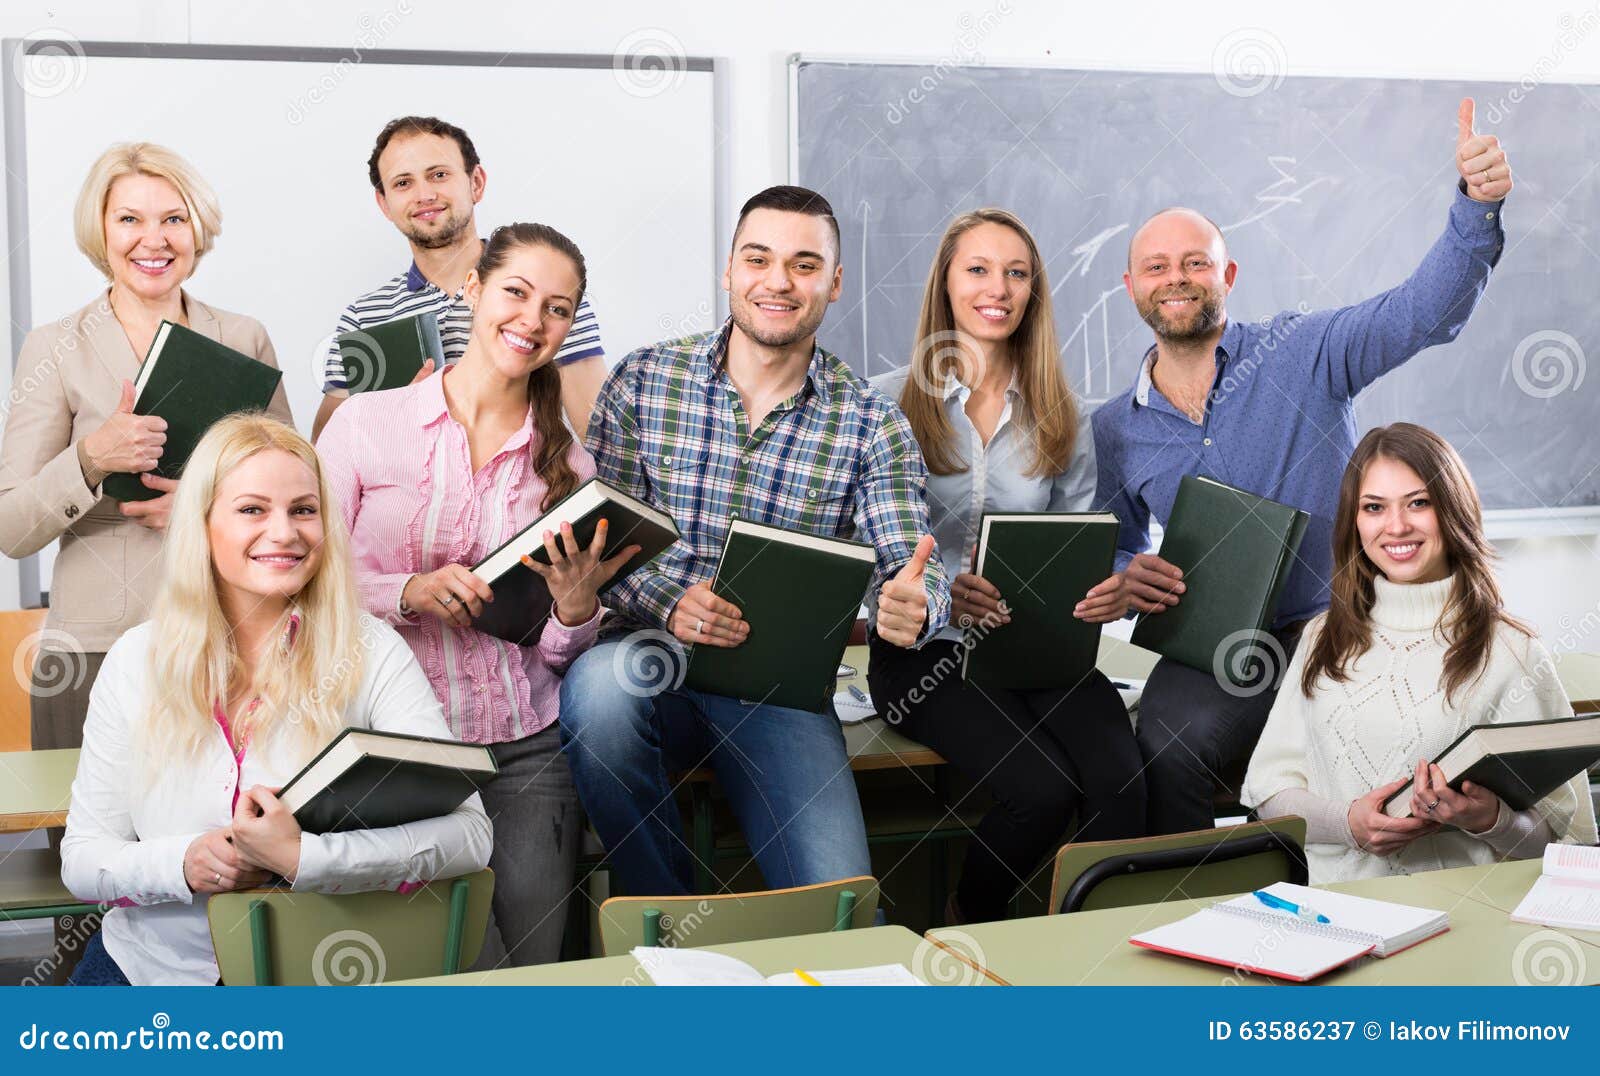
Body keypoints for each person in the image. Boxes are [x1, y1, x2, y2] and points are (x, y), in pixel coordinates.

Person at [1093, 98, 1512, 834]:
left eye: (1196, 262)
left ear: (1227, 273)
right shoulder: (1114, 427)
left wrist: (1477, 207)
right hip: (1219, 648)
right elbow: (1118, 545)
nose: (1177, 277)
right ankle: (1203, 913)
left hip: (1346, 624)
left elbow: (1421, 311)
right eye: (1156, 267)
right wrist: (1128, 580)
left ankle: (1336, 904)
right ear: (1131, 288)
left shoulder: (1305, 350)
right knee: (1164, 746)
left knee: (1381, 753)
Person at [559, 185, 949, 897]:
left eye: (804, 265)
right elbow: (599, 541)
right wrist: (673, 600)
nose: (778, 281)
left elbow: (910, 562)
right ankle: (664, 924)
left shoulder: (871, 422)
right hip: (649, 657)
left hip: (780, 693)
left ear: (833, 283)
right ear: (729, 270)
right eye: (759, 258)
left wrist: (918, 606)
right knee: (598, 697)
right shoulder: (644, 381)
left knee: (840, 906)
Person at [59, 414, 491, 985]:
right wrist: (185, 862)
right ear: (203, 523)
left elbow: (469, 836)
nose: (285, 532)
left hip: (318, 976)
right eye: (252, 509)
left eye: (303, 510)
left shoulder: (372, 649)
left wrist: (302, 858)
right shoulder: (137, 660)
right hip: (148, 973)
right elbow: (84, 857)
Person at [317, 223, 631, 967]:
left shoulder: (571, 468)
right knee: (442, 961)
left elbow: (557, 653)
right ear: (474, 290)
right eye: (516, 293)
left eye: (557, 309)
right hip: (393, 743)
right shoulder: (367, 423)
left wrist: (576, 609)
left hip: (524, 748)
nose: (532, 320)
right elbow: (302, 586)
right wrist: (408, 590)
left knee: (530, 960)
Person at [869, 209, 1144, 925]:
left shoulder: (1064, 414)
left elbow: (1079, 543)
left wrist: (1101, 587)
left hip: (1035, 646)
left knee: (1121, 778)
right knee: (1042, 790)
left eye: (1016, 273)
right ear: (947, 284)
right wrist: (925, 597)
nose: (999, 288)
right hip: (924, 654)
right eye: (980, 270)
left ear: (1033, 292)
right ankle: (970, 922)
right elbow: (855, 546)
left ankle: (1090, 947)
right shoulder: (885, 402)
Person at [0, 140, 292, 771]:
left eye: (173, 219)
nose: (152, 240)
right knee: (85, 860)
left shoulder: (244, 339)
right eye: (129, 219)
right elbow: (12, 528)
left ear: (197, 229)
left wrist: (205, 508)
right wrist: (91, 457)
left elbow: (293, 500)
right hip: (91, 653)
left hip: (229, 641)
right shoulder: (55, 347)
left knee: (224, 857)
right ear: (100, 231)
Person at [1242, 423, 1597, 882]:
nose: (1396, 526)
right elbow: (1271, 792)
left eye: (1419, 503)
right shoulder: (1321, 637)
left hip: (1464, 920)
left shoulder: (1514, 651)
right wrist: (1349, 824)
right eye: (1374, 508)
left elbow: (1565, 843)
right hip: (1341, 916)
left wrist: (1491, 820)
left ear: (1453, 510)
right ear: (1355, 520)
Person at [311, 116, 605, 441]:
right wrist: (390, 414)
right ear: (384, 203)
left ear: (475, 182)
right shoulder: (363, 318)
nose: (424, 195)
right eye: (403, 183)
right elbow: (326, 453)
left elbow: (599, 439)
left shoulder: (545, 297)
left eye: (438, 175)